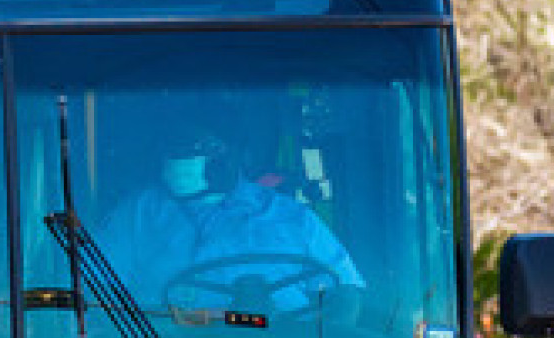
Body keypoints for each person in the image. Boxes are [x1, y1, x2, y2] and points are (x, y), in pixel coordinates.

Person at [96, 129, 364, 318]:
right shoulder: (137, 213)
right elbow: (96, 290)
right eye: (177, 148)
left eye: (196, 148)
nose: (181, 157)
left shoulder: (291, 217)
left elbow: (346, 291)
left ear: (223, 160)